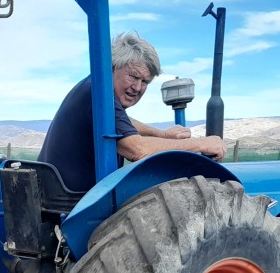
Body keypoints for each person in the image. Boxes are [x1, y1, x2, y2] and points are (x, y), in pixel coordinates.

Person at [37, 32, 226, 193]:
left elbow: (124, 123)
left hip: (60, 192)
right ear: (112, 68)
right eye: (133, 76)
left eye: (145, 82)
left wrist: (162, 134)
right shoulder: (99, 94)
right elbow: (137, 150)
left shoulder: (94, 90)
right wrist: (203, 144)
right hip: (71, 202)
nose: (137, 87)